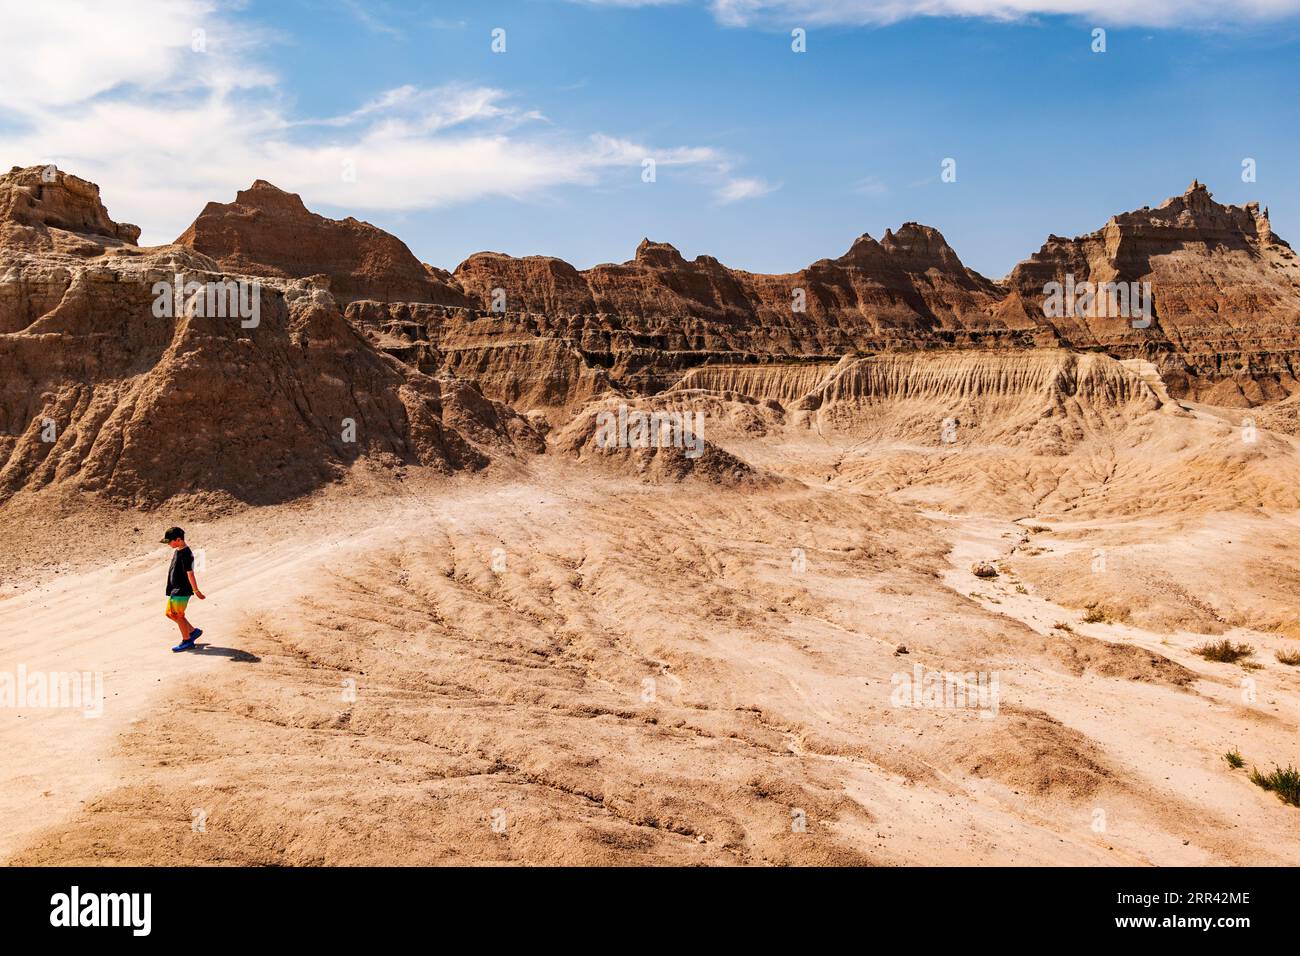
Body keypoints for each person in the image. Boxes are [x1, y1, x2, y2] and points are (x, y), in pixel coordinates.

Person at [161, 527, 205, 652]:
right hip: (175, 589)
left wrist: (196, 590)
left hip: (182, 589)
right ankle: (192, 632)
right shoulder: (178, 550)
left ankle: (187, 641)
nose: (168, 544)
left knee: (178, 615)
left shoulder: (186, 554)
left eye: (170, 541)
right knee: (170, 613)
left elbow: (190, 574)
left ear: (178, 539)